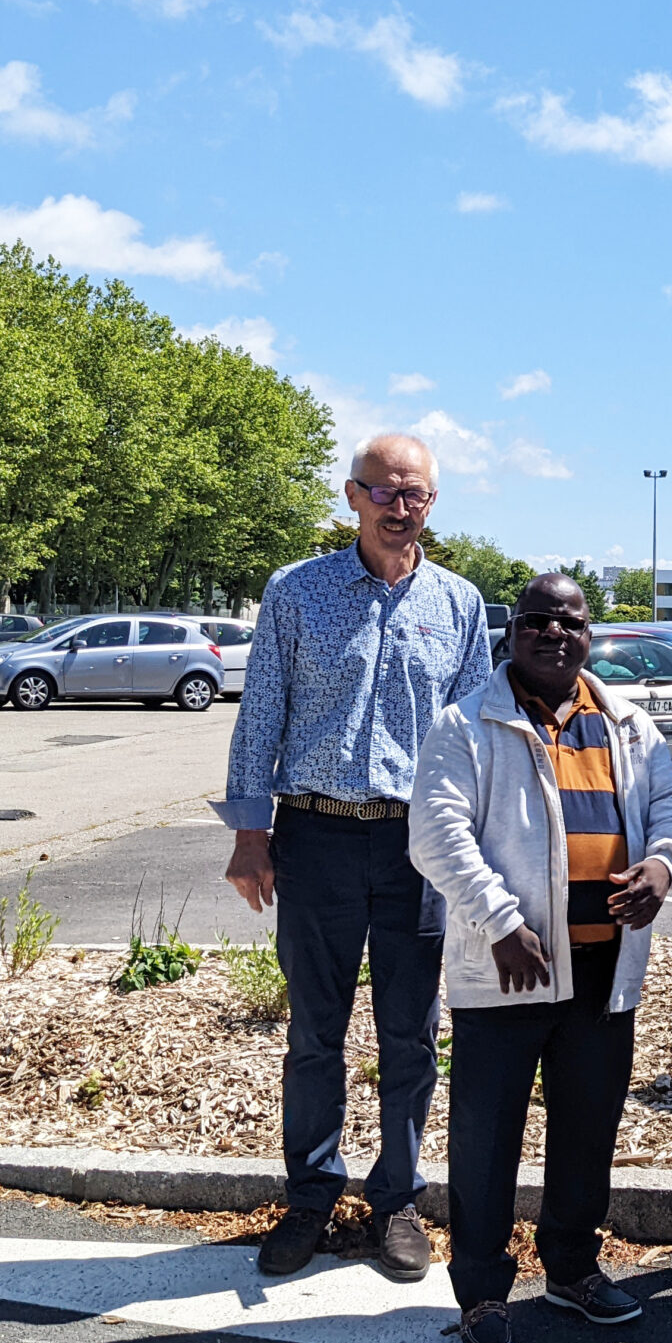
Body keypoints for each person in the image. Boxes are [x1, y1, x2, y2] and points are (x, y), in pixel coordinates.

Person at [218, 434, 492, 1282]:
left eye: (415, 494)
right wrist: (250, 831)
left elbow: (473, 734)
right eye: (384, 491)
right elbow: (261, 709)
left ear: (431, 504)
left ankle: (398, 1200)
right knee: (314, 1033)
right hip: (316, 839)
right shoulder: (297, 593)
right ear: (352, 495)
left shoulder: (460, 604)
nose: (399, 506)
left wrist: (474, 845)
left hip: (416, 847)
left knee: (411, 1035)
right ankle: (309, 1195)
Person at [410, 572, 672, 1343]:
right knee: (485, 1138)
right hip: (511, 970)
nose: (551, 633)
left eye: (568, 622)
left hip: (603, 974)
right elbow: (436, 834)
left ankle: (570, 1267)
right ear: (512, 631)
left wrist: (665, 867)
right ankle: (481, 1293)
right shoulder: (467, 724)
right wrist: (500, 921)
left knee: (586, 1131)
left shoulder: (627, 723)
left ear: (588, 632)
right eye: (536, 620)